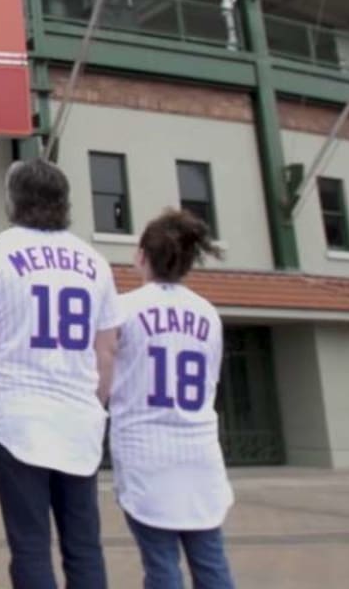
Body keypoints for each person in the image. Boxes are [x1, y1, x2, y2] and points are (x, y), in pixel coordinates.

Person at [0, 159, 122, 589]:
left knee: (30, 547)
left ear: (13, 200)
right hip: (79, 419)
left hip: (20, 417)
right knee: (84, 546)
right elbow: (107, 349)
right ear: (64, 201)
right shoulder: (95, 262)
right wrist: (93, 405)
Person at [109, 210, 235, 589]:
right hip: (199, 450)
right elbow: (210, 380)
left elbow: (106, 366)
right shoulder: (208, 314)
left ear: (142, 255)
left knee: (161, 565)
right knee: (211, 562)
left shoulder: (124, 307)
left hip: (146, 449)